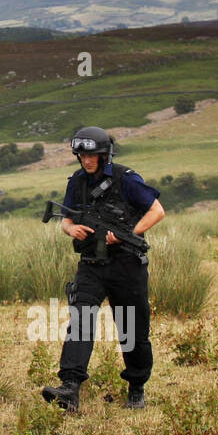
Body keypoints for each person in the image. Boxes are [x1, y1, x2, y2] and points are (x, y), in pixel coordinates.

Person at [41, 126, 165, 412]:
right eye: (82, 155)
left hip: (127, 265)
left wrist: (127, 233)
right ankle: (70, 388)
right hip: (91, 265)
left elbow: (157, 211)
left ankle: (136, 388)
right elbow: (66, 220)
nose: (87, 160)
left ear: (105, 154)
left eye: (92, 155)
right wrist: (72, 229)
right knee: (80, 321)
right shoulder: (76, 182)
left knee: (132, 330)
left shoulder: (127, 179)